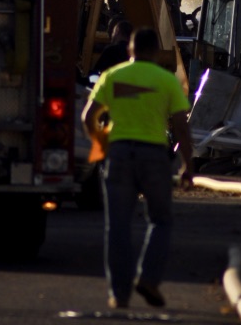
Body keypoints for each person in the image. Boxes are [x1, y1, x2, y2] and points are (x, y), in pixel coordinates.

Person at [81, 26, 194, 311]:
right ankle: (149, 279)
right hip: (154, 157)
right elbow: (181, 125)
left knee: (117, 226)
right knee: (161, 220)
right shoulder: (167, 80)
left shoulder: (112, 76)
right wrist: (187, 165)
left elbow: (88, 116)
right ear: (156, 52)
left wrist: (101, 145)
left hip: (118, 155)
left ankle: (119, 295)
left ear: (129, 50)